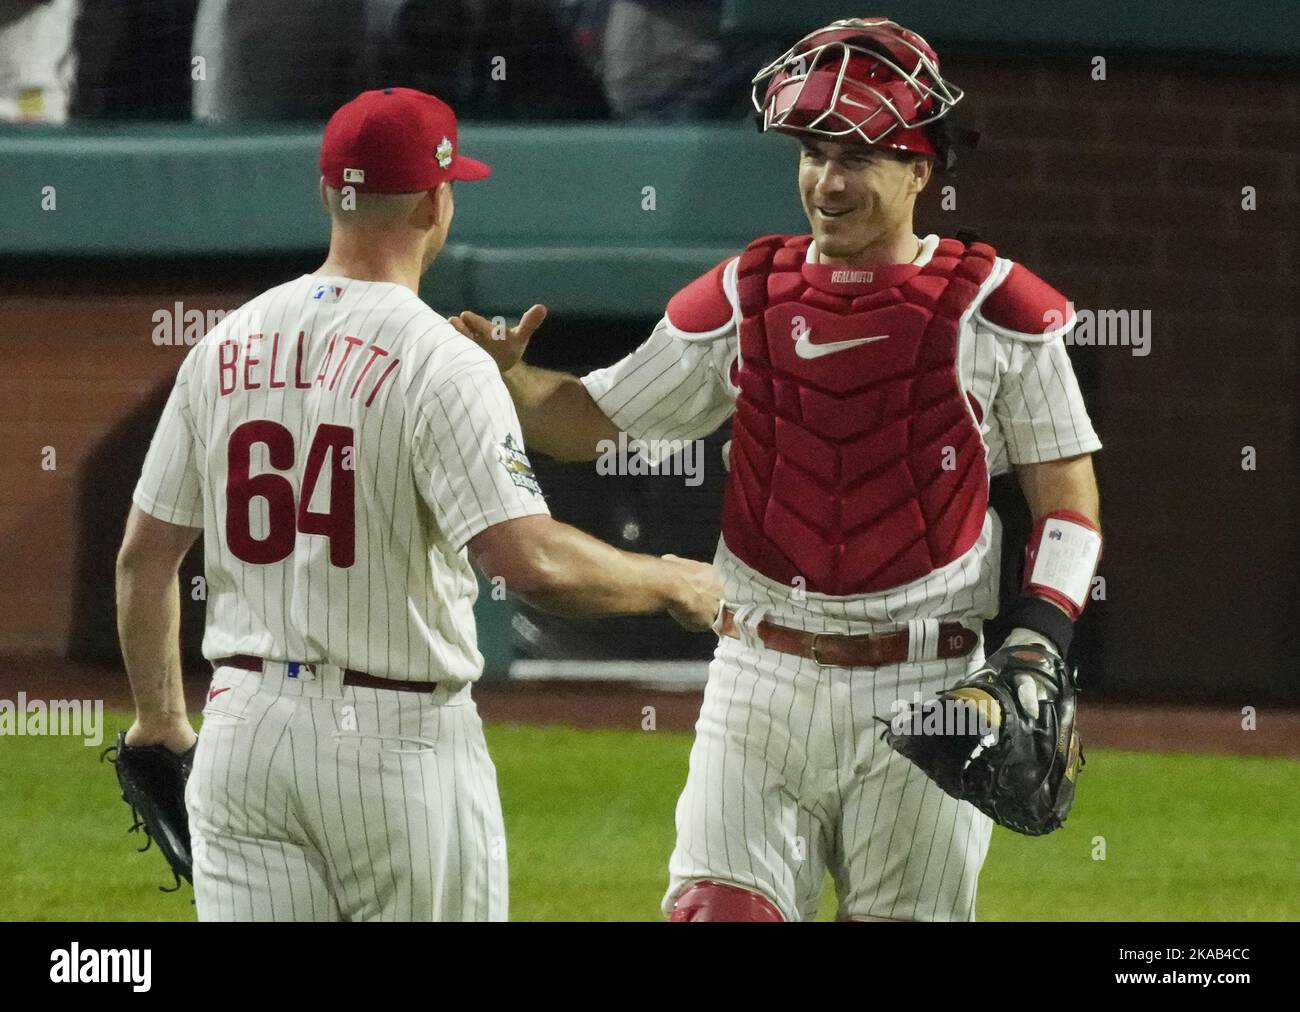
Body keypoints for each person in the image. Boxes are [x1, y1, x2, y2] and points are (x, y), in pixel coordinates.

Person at [451, 18, 1103, 921]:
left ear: (920, 170)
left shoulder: (999, 309)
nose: (827, 182)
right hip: (762, 671)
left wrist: (1037, 641)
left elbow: (1068, 506)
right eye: (812, 153)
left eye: (858, 157)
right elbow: (588, 425)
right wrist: (508, 378)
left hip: (932, 681)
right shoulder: (743, 295)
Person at [115, 86, 720, 922]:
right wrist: (671, 582)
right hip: (395, 741)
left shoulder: (224, 341)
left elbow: (144, 560)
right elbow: (529, 561)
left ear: (328, 193)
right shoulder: (442, 360)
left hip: (241, 728)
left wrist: (158, 721)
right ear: (439, 201)